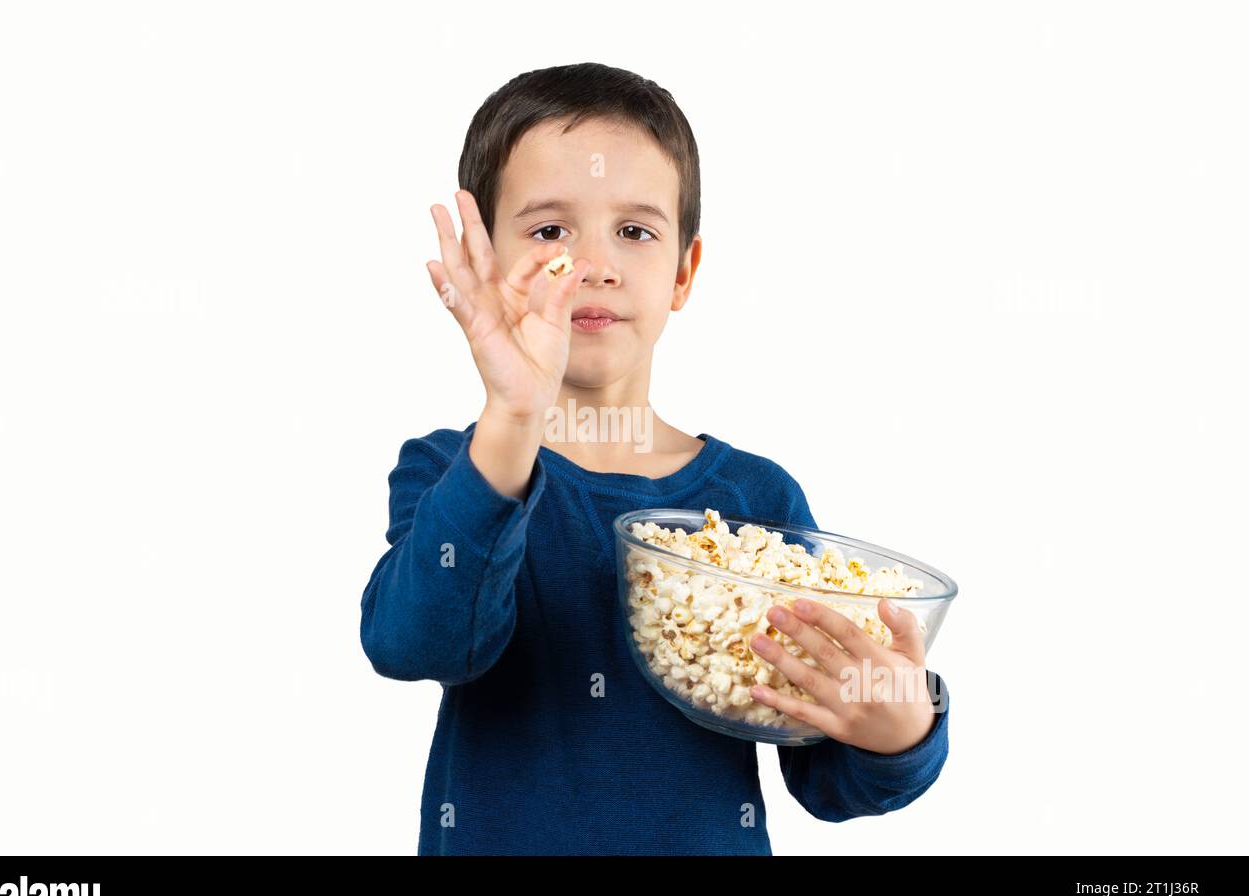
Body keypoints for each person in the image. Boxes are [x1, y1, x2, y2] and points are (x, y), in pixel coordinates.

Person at [360, 62, 950, 855]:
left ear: (683, 272)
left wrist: (901, 725)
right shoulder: (452, 471)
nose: (594, 265)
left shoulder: (755, 500)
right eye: (549, 231)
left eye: (634, 232)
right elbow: (415, 642)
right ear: (487, 262)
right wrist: (513, 418)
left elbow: (825, 772)